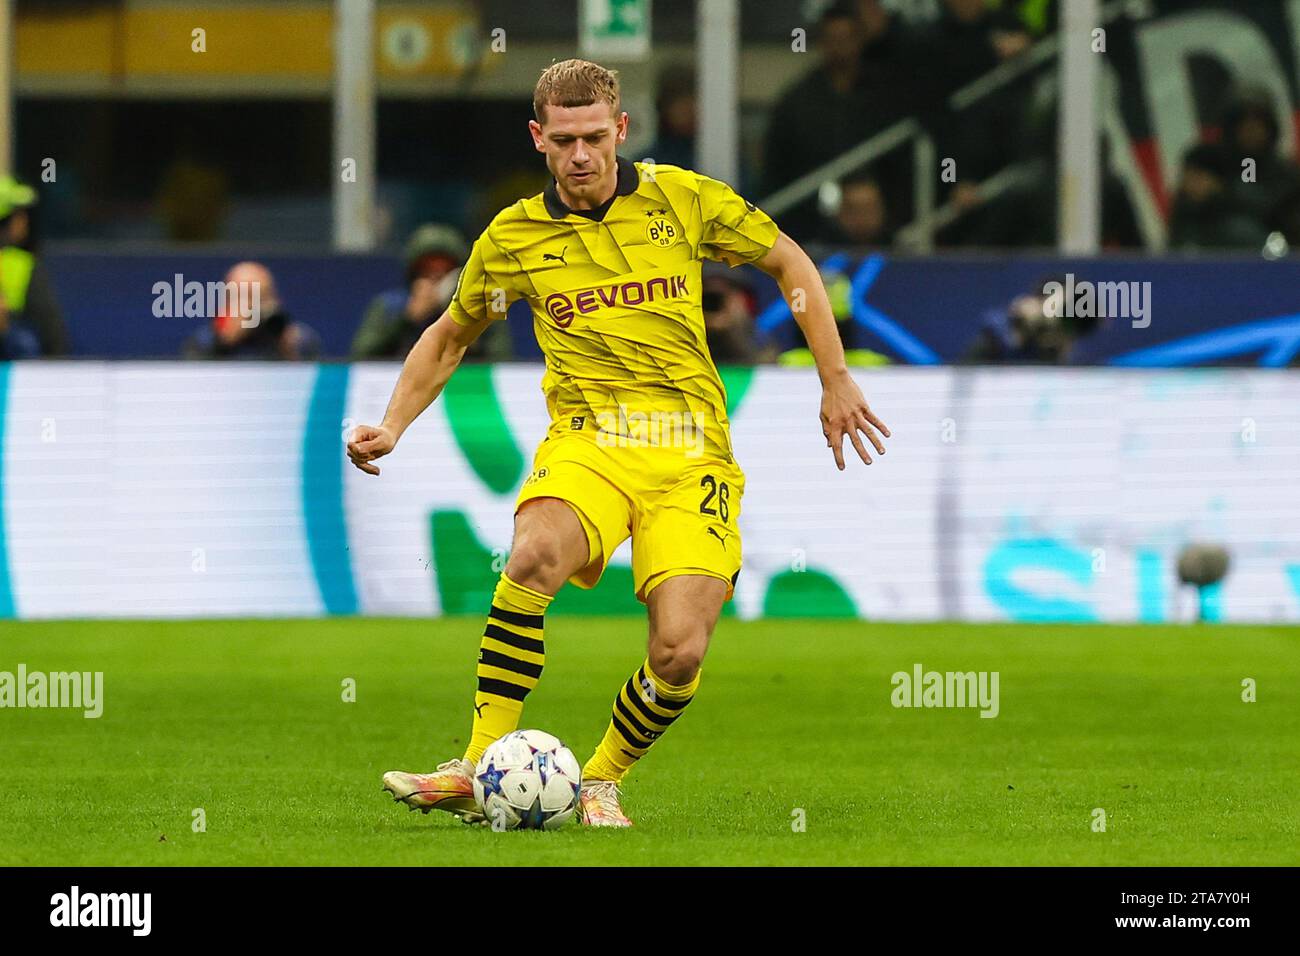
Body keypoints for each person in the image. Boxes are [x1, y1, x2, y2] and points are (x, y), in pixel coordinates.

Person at [349, 58, 889, 827]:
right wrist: (393, 426)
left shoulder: (684, 199)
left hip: (690, 450)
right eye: (562, 139)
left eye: (594, 138)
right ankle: (476, 763)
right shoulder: (515, 237)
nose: (579, 156)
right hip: (589, 440)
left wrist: (833, 378)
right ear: (538, 137)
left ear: (621, 130)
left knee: (679, 652)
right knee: (533, 553)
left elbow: (789, 260)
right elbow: (448, 335)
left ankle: (599, 779)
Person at [350, 223, 509, 361]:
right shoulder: (389, 306)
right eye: (427, 271)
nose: (436, 280)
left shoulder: (486, 306)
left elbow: (503, 364)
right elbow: (361, 361)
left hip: (465, 390)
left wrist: (461, 321)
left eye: (444, 271)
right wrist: (407, 320)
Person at [182, 261, 321, 360]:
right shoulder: (204, 340)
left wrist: (287, 348)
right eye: (245, 296)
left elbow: (310, 384)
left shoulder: (300, 338)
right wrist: (223, 343)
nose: (253, 306)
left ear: (276, 299)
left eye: (261, 296)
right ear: (228, 302)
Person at [0, 175, 68, 356]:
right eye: (19, 214)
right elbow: (53, 334)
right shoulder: (23, 265)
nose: (24, 221)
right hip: (14, 374)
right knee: (24, 342)